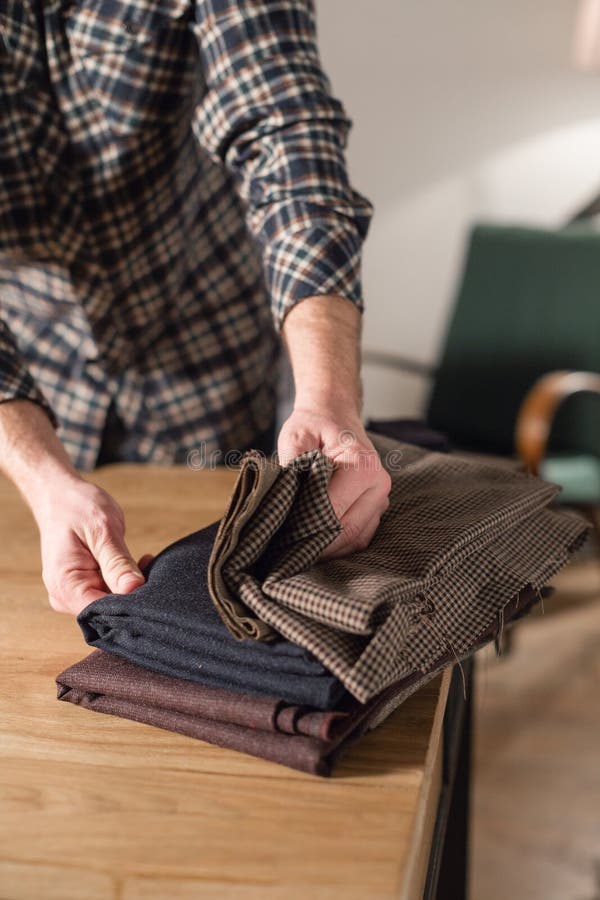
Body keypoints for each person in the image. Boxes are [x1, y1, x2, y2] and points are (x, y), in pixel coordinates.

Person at [0, 0, 391, 615]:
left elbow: (286, 135)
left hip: (208, 335)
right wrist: (46, 482)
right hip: (34, 373)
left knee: (239, 588)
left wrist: (330, 395)